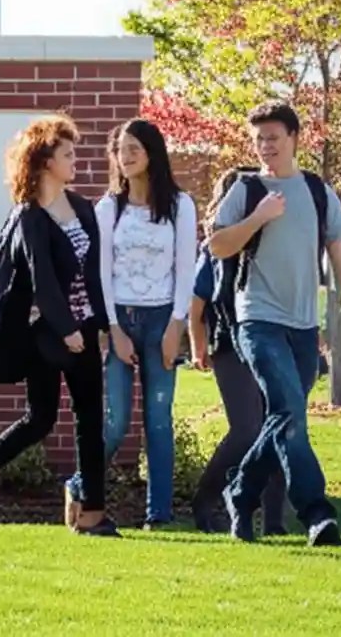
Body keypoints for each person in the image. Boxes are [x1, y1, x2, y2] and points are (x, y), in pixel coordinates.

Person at [208, 100, 341, 546]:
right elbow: (218, 246)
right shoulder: (245, 190)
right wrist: (258, 217)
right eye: (259, 138)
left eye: (274, 138)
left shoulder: (319, 193)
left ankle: (240, 494)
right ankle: (317, 512)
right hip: (256, 319)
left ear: (294, 139)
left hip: (303, 328)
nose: (266, 147)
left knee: (285, 415)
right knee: (289, 412)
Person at [0, 113, 119, 537]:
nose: (75, 160)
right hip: (47, 333)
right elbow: (42, 279)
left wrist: (99, 324)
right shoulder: (29, 216)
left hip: (81, 326)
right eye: (67, 153)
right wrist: (67, 330)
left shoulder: (82, 207)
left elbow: (93, 273)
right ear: (45, 162)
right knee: (54, 417)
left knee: (72, 419)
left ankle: (91, 513)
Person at [63, 119, 197, 529]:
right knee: (116, 421)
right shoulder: (108, 208)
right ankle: (79, 483)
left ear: (153, 153)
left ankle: (159, 515)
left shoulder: (180, 206)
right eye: (121, 148)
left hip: (162, 321)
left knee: (159, 420)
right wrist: (114, 330)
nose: (126, 155)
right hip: (122, 320)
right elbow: (100, 274)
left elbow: (185, 270)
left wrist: (177, 326)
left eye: (135, 147)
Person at [187, 168, 287, 535]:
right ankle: (204, 499)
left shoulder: (272, 240)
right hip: (230, 345)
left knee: (279, 424)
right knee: (246, 429)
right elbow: (197, 305)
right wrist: (199, 347)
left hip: (272, 340)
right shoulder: (215, 248)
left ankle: (275, 521)